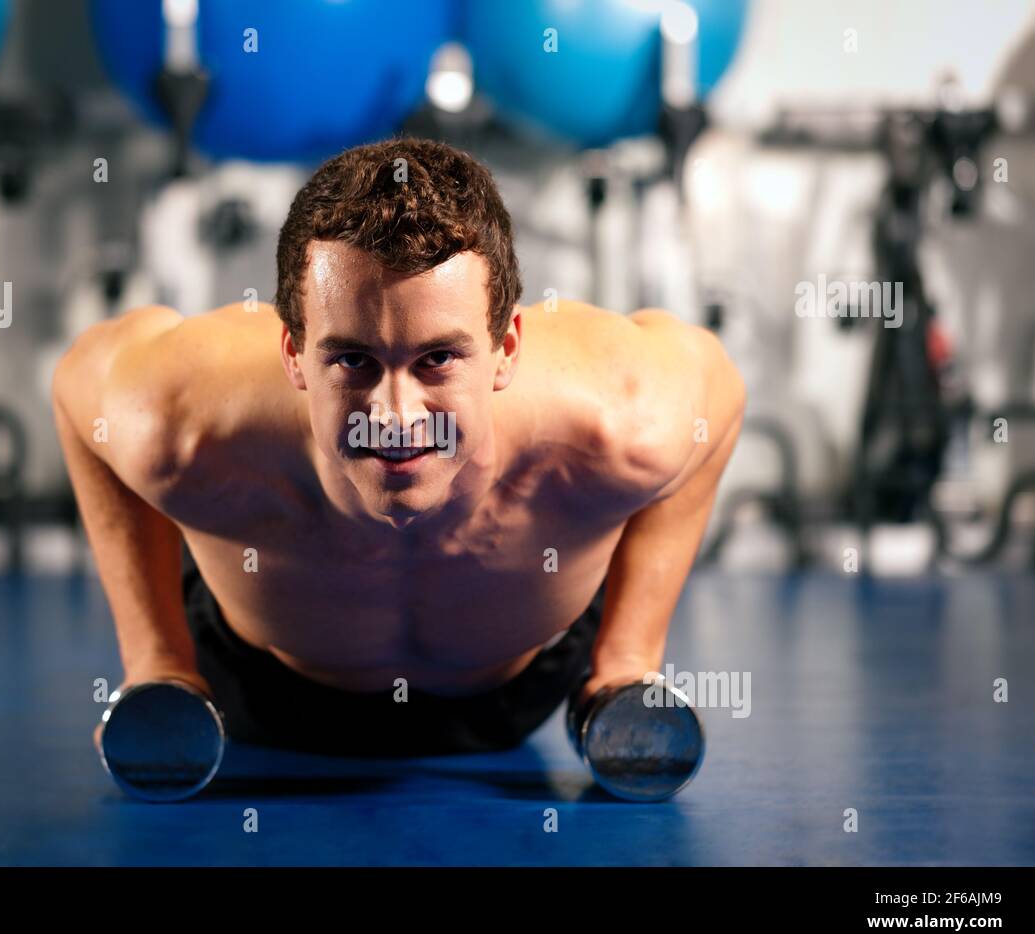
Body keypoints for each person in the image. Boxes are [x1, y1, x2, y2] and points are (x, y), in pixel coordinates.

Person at [54, 137, 745, 758]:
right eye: (352, 360)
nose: (394, 416)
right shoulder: (178, 421)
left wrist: (627, 657)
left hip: (516, 693)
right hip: (264, 688)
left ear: (506, 350)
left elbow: (721, 395)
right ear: (293, 353)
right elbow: (75, 389)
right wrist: (156, 660)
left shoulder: (622, 419)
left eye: (437, 359)